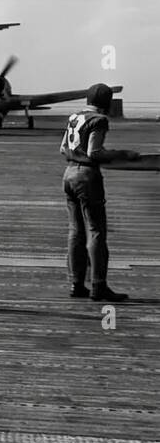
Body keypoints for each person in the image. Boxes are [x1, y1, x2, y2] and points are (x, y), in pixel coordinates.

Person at [60, 83, 139, 302]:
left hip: (68, 174)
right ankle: (98, 285)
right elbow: (95, 152)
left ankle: (76, 283)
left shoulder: (74, 117)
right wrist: (124, 154)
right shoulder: (99, 120)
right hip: (87, 175)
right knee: (96, 230)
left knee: (75, 230)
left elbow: (62, 148)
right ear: (106, 103)